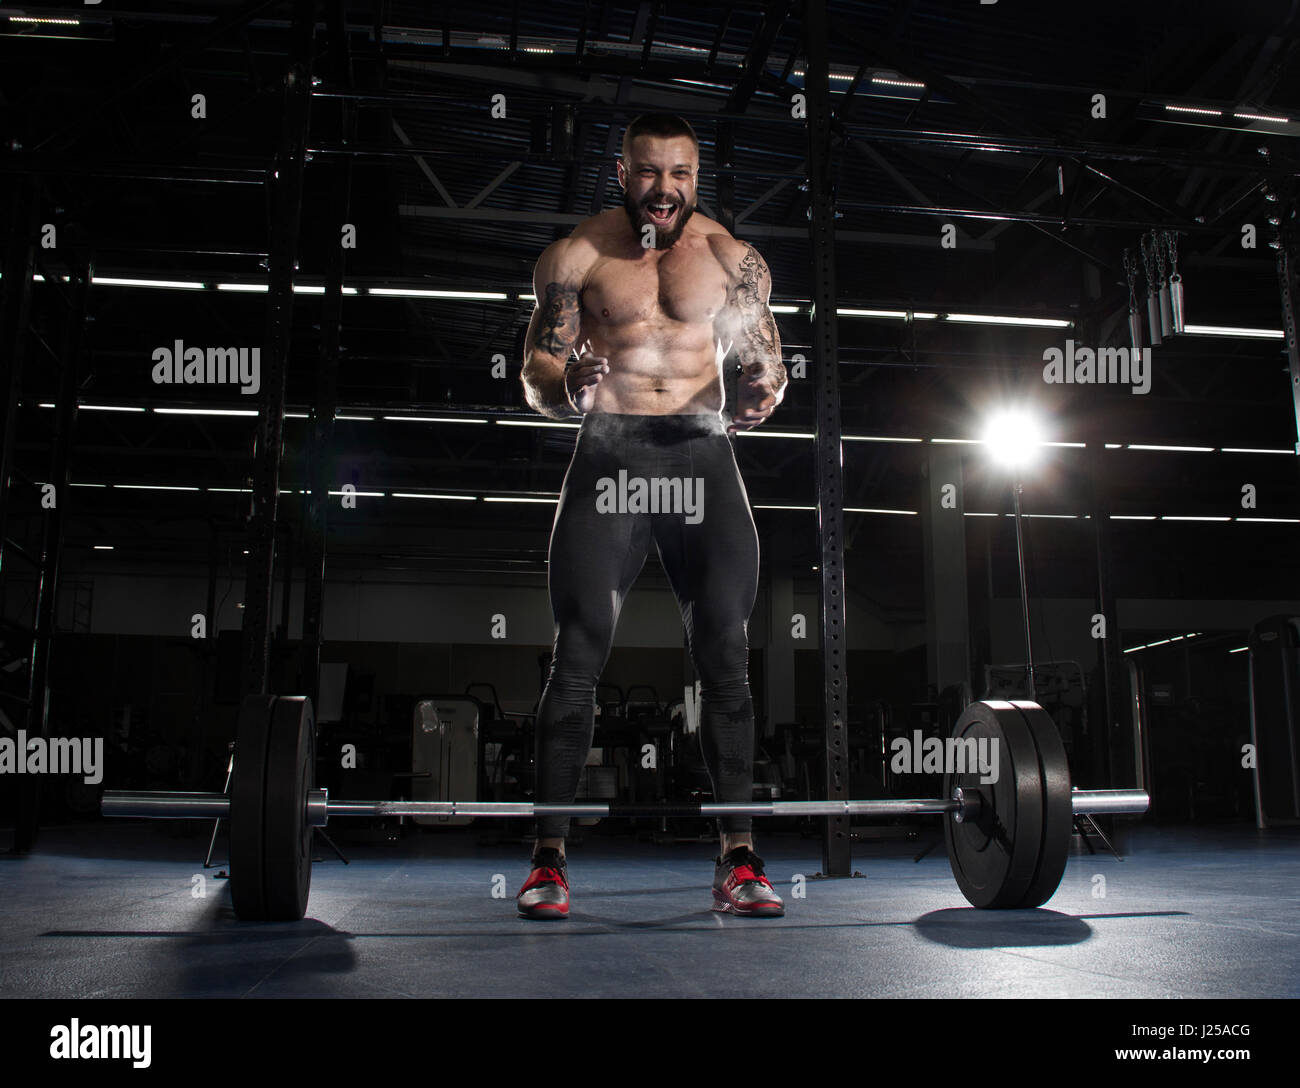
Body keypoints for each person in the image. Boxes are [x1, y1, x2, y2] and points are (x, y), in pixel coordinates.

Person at [517, 113, 787, 919]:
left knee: (726, 658)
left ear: (695, 179)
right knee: (576, 659)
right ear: (622, 170)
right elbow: (534, 371)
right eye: (648, 172)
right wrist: (564, 386)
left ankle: (738, 859)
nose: (663, 189)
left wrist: (763, 388)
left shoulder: (732, 261)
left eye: (679, 174)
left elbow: (766, 360)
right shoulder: (576, 256)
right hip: (610, 454)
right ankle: (548, 862)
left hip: (702, 456)